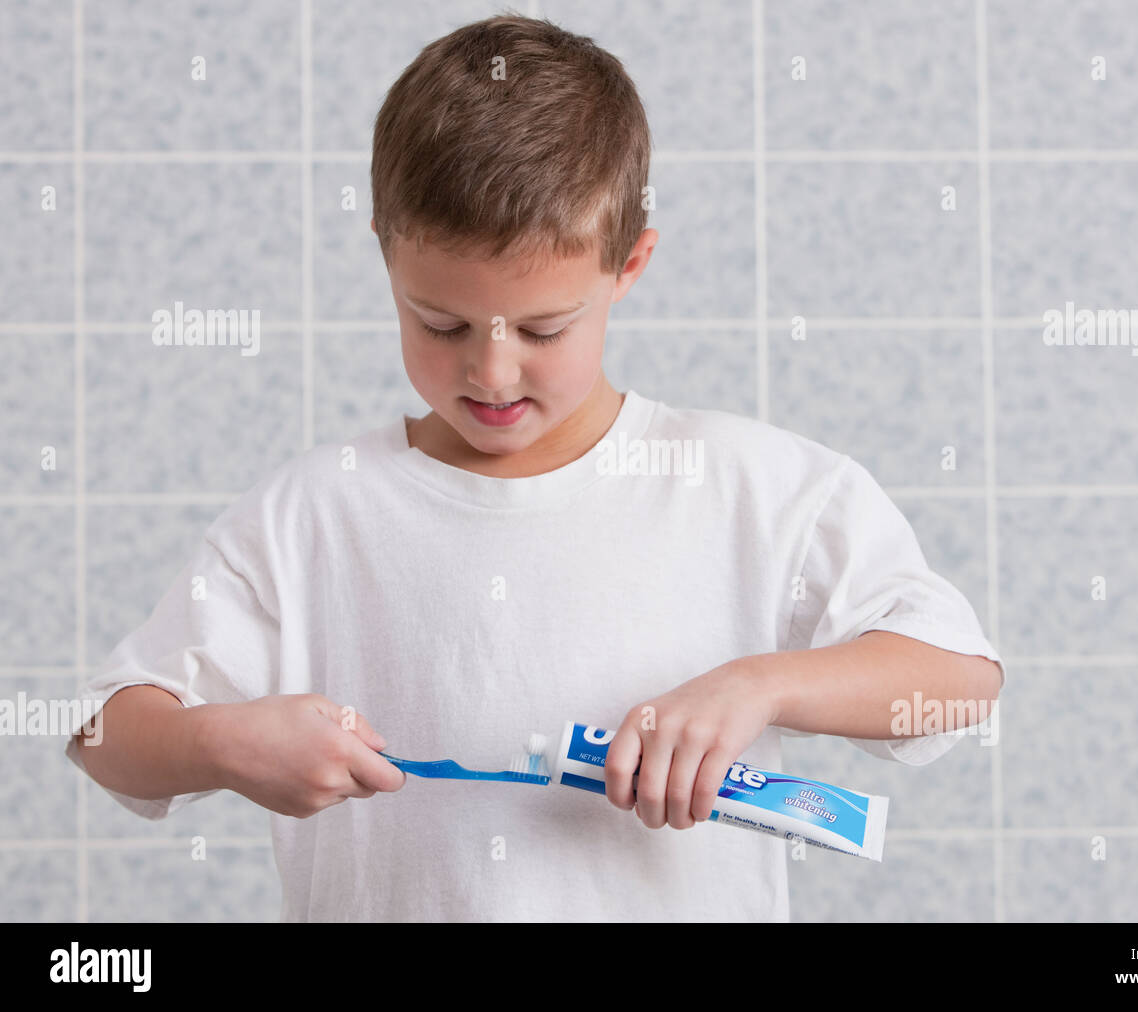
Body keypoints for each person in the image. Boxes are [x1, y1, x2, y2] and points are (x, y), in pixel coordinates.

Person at [65, 13, 1004, 922]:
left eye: (545, 328)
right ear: (386, 251)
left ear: (630, 265)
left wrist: (760, 685)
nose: (491, 371)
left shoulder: (751, 489)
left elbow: (960, 680)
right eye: (441, 325)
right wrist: (220, 742)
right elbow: (105, 733)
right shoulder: (313, 515)